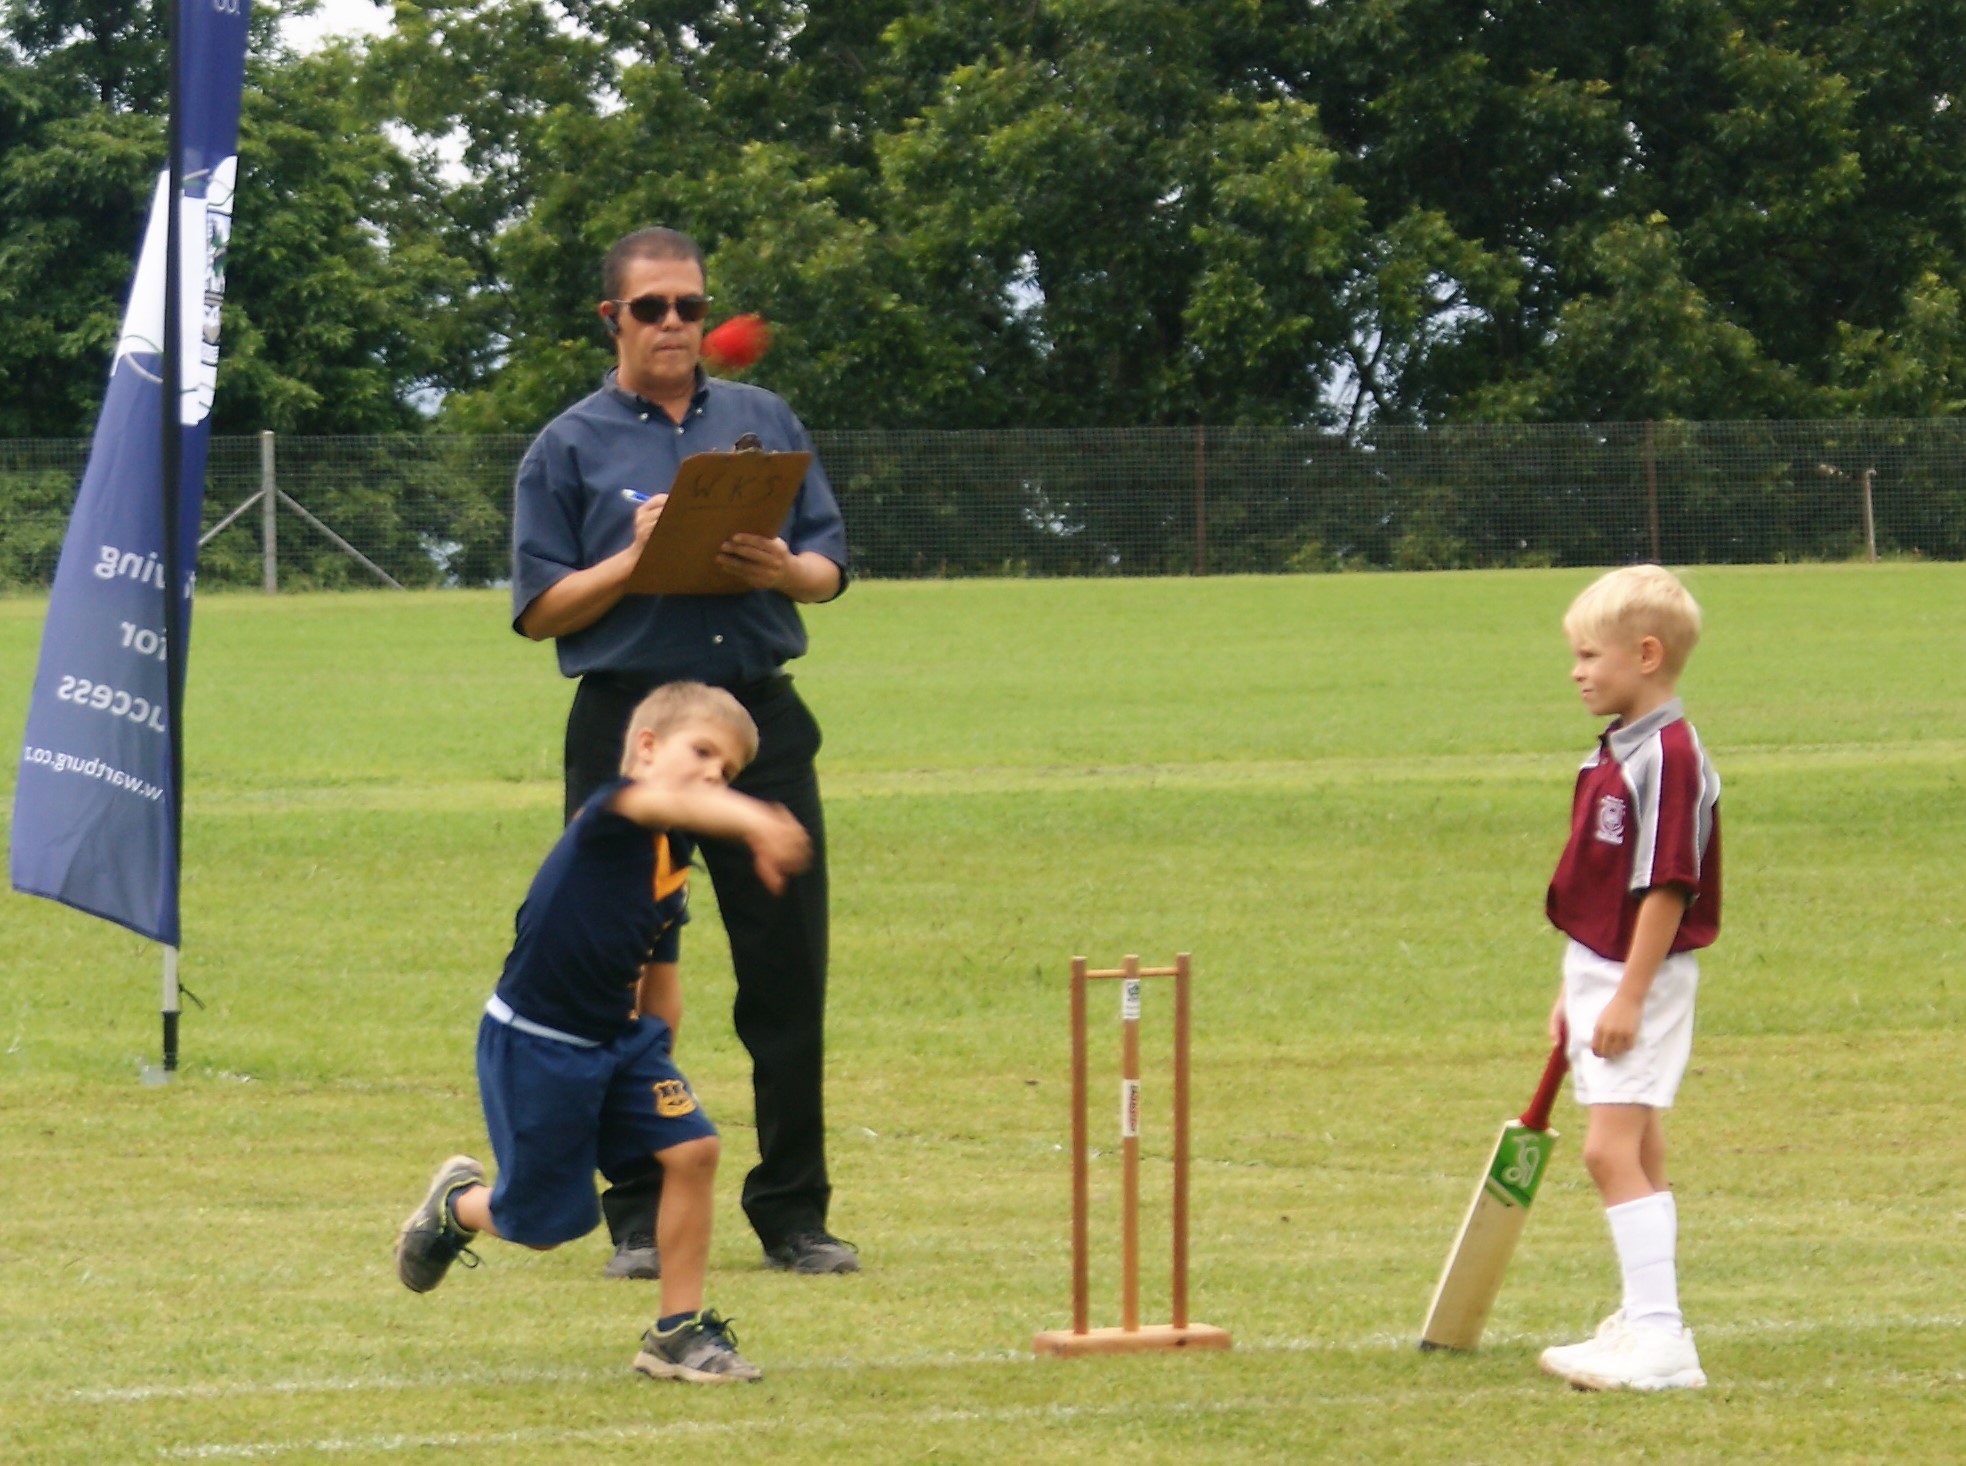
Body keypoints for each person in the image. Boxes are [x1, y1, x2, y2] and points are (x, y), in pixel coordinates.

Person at [510, 226, 857, 1279]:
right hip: (632, 730)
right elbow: (536, 610)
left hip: (756, 724)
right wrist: (634, 558)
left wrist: (781, 565)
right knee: (619, 980)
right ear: (610, 318)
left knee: (787, 975)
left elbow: (829, 566)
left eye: (690, 307)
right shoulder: (565, 445)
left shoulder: (764, 421)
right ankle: (635, 1210)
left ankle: (795, 1212)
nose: (675, 325)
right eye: (651, 307)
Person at [393, 683, 811, 1384]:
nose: (715, 775)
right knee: (545, 1225)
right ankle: (457, 1207)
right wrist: (758, 818)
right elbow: (669, 800)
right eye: (703, 752)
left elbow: (660, 977)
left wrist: (657, 1072)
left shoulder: (672, 860)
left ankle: (676, 1332)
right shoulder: (615, 812)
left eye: (731, 770)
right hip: (538, 1044)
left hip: (623, 1043)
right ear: (646, 748)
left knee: (694, 1147)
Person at [1535, 565, 1721, 1392]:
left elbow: (1668, 886)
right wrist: (1571, 991)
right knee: (1639, 1145)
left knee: (1607, 1154)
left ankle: (1660, 1339)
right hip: (1602, 969)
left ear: (1645, 655)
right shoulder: (1620, 744)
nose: (1576, 671)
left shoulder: (1670, 757)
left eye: (1589, 655)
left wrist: (1628, 995)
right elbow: (1600, 884)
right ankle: (1646, 1318)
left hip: (1637, 974)